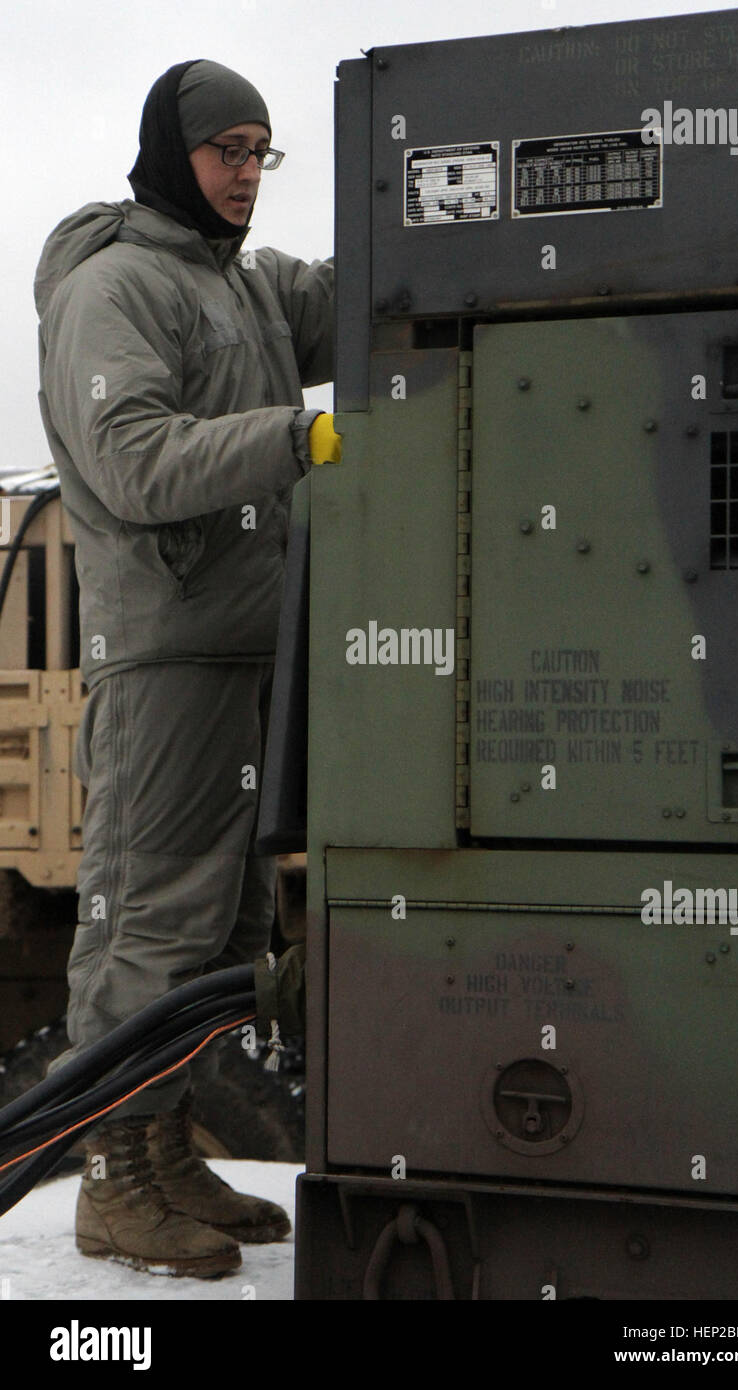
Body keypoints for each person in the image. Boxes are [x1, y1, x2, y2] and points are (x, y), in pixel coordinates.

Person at [33, 58, 338, 1278]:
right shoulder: (117, 287)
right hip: (163, 650)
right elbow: (134, 460)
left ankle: (163, 1155)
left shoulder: (251, 288)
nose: (247, 175)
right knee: (145, 920)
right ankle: (110, 1178)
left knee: (217, 932)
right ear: (176, 149)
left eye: (264, 152)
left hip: (248, 645)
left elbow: (371, 288)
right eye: (228, 151)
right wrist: (295, 435)